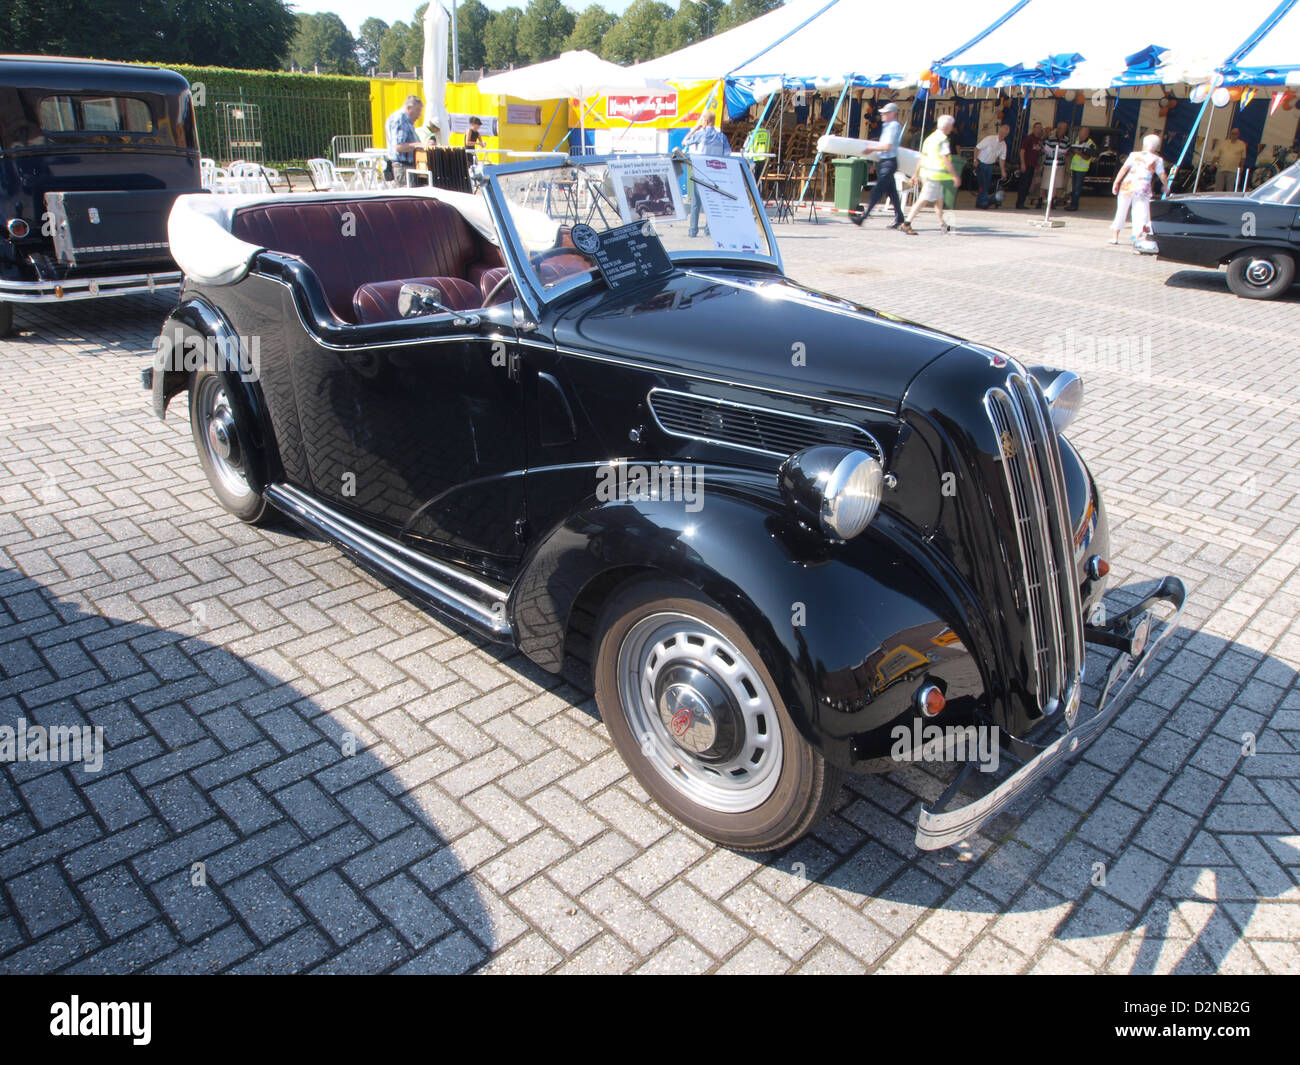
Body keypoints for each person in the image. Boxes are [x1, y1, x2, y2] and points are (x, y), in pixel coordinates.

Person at [848, 101, 906, 229]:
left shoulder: (893, 126)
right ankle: (900, 219)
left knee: (877, 191)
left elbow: (887, 146)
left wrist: (871, 149)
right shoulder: (888, 126)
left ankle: (862, 218)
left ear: (892, 114)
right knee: (893, 193)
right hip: (885, 162)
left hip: (888, 162)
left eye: (885, 113)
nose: (883, 115)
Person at [902, 113, 959, 235]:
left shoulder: (930, 139)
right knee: (923, 200)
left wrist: (916, 173)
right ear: (948, 126)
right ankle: (907, 223)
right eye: (951, 125)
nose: (952, 128)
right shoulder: (943, 140)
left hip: (927, 173)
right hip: (934, 175)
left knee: (939, 200)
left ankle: (942, 224)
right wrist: (954, 175)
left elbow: (922, 157)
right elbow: (945, 159)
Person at [1110, 133, 1166, 244]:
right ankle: (1136, 238)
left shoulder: (1134, 155)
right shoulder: (1157, 159)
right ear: (1156, 146)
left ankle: (1115, 237)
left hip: (1127, 185)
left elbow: (1124, 169)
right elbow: (1162, 174)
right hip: (1143, 188)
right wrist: (1166, 186)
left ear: (1144, 144)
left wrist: (1116, 182)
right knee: (1140, 213)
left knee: (1121, 210)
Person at [682, 109, 730, 238]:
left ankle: (693, 230)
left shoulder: (700, 134)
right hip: (715, 174)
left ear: (705, 121)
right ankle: (709, 229)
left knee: (696, 203)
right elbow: (727, 154)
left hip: (700, 172)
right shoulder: (722, 137)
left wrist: (695, 129)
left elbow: (684, 142)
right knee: (712, 203)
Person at [386, 94, 424, 185]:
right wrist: (420, 145)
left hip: (407, 167)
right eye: (417, 110)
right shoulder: (400, 119)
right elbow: (399, 147)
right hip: (403, 168)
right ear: (408, 108)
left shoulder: (407, 120)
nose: (419, 115)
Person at [974, 124, 1009, 208]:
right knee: (983, 184)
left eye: (1005, 133)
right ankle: (983, 202)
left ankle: (980, 202)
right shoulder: (989, 139)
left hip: (990, 165)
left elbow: (1002, 159)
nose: (1002, 135)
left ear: (1007, 135)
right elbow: (977, 148)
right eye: (1002, 132)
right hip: (981, 163)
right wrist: (975, 160)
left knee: (986, 184)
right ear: (999, 132)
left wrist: (1003, 171)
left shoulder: (1004, 145)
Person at [1039, 121, 1072, 208]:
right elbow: (1044, 148)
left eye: (1064, 129)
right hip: (1049, 163)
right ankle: (1041, 199)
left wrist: (1065, 153)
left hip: (1060, 164)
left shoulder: (1066, 140)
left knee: (1056, 183)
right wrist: (1051, 151)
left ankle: (1052, 201)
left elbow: (1068, 150)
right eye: (1061, 128)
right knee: (1046, 182)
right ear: (1057, 129)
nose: (1063, 130)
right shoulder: (1050, 138)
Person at [1066, 125, 1095, 210]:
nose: (1080, 134)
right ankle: (1072, 203)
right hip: (1074, 168)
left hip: (1081, 169)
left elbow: (1088, 157)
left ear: (1087, 134)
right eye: (1080, 132)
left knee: (1077, 188)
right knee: (1073, 187)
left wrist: (1079, 153)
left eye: (1082, 133)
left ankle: (1074, 205)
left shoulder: (1090, 144)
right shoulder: (1077, 141)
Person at [1016, 121, 1043, 209]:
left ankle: (1022, 202)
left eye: (1040, 128)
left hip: (1033, 165)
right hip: (1026, 164)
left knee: (1028, 184)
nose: (1039, 129)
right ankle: (1019, 203)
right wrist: (1023, 164)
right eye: (1037, 127)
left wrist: (1037, 165)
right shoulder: (1028, 138)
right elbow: (1022, 151)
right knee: (1023, 184)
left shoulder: (1039, 140)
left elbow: (1038, 154)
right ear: (1033, 128)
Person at [1212, 127, 1248, 192]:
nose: (1234, 135)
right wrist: (1212, 164)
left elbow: (1243, 157)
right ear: (1230, 134)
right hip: (1221, 168)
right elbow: (1216, 155)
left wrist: (1242, 167)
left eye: (1236, 134)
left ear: (1238, 135)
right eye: (1232, 133)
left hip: (1233, 170)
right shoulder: (1223, 143)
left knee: (1230, 189)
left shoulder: (1242, 144)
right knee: (1218, 188)